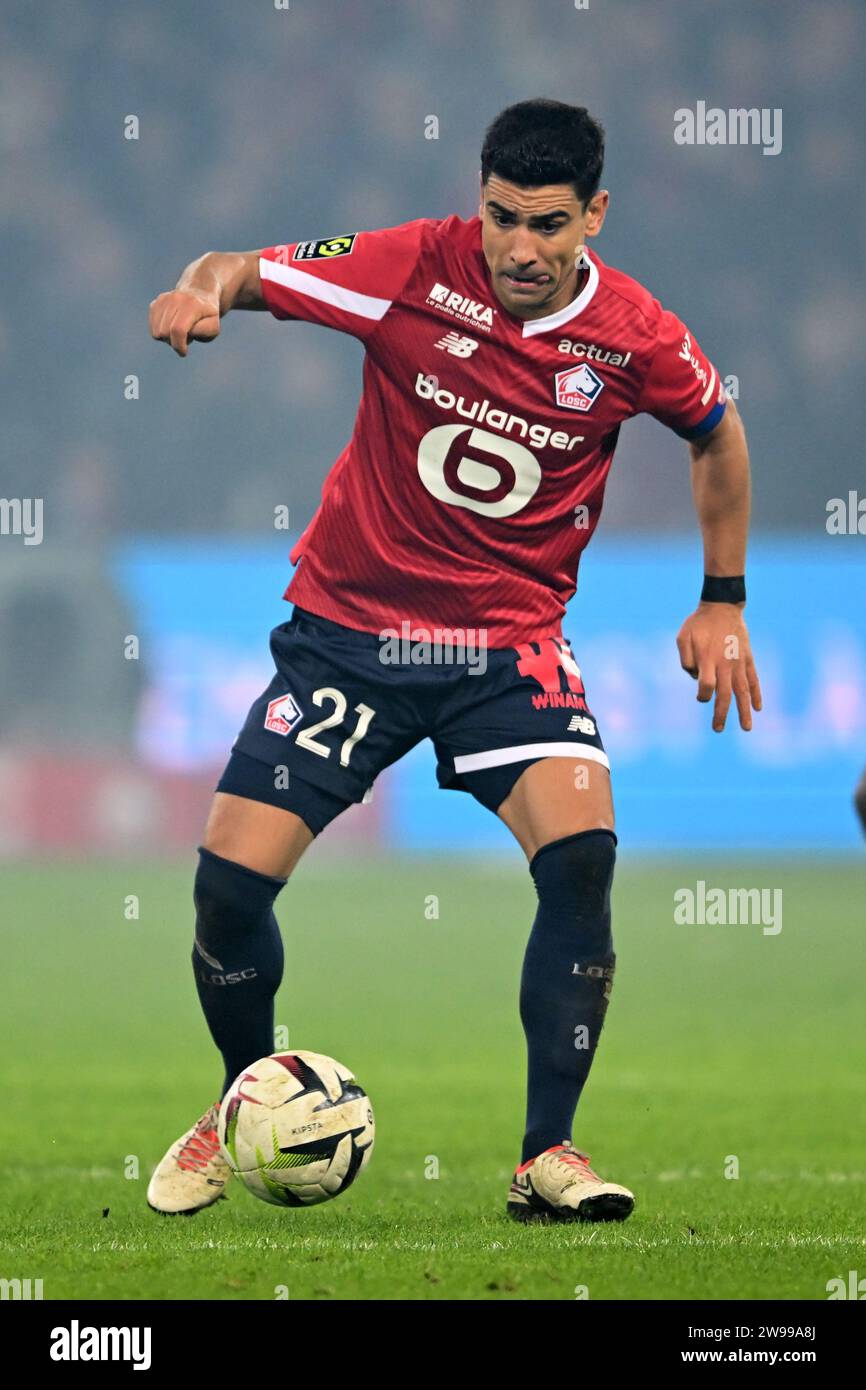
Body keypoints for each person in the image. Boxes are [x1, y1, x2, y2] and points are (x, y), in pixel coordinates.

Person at [146, 98, 761, 1222]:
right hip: (350, 639)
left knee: (580, 858)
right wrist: (198, 290)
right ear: (477, 197)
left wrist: (721, 601)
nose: (519, 248)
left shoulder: (632, 333)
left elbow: (715, 431)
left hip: (505, 648)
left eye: (548, 224)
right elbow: (235, 267)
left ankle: (547, 1153)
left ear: (595, 216)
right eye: (500, 217)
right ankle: (238, 1102)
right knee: (226, 894)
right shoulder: (408, 269)